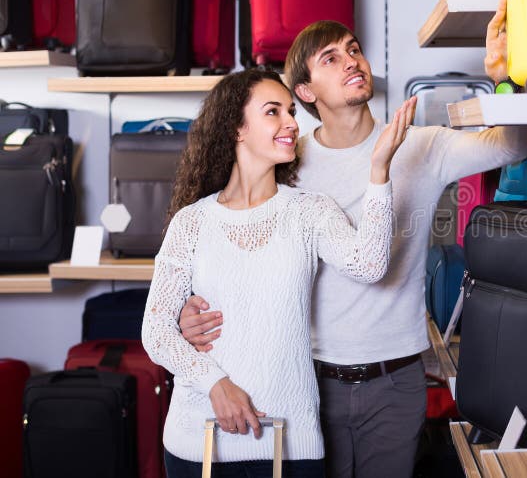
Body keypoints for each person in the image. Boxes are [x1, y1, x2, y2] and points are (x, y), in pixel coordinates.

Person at [179, 0, 527, 478]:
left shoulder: (419, 144)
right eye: (331, 57)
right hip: (305, 379)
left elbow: (517, 143)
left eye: (354, 49)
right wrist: (189, 308)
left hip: (396, 381)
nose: (351, 60)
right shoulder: (287, 165)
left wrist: (503, 75)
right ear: (305, 92)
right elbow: (234, 244)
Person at [141, 68, 415, 478]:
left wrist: (379, 171)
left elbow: (370, 265)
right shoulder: (192, 222)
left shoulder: (309, 211)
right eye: (274, 112)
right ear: (237, 128)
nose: (292, 122)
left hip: (291, 444)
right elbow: (156, 330)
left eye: (291, 111)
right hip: (197, 442)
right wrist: (216, 383)